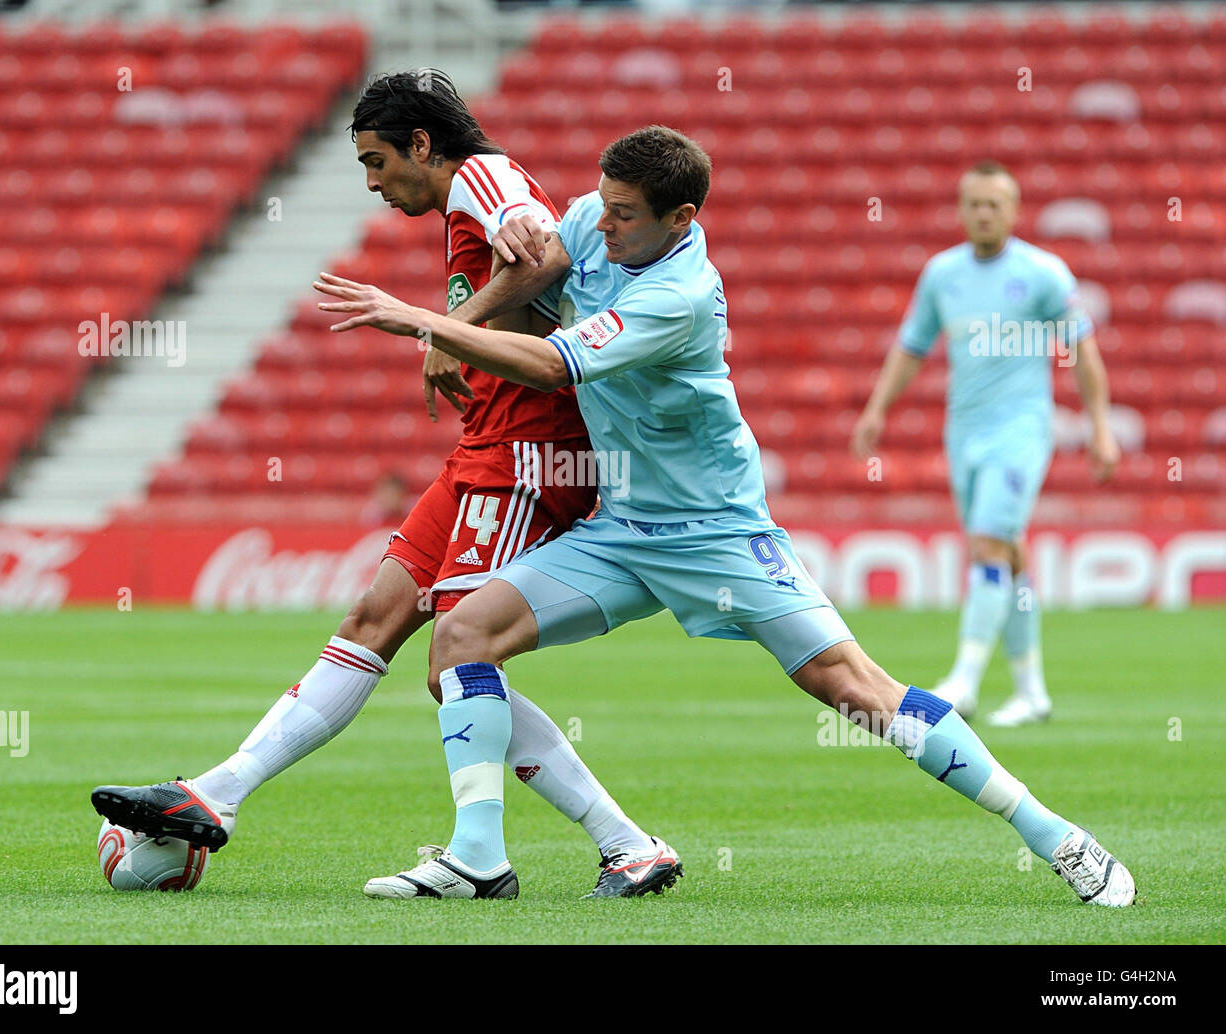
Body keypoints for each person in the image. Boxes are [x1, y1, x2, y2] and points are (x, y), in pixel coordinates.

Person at [315, 126, 1136, 907]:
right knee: (462, 637)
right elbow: (546, 262)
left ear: (683, 220)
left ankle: (1054, 833)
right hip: (621, 529)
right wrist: (457, 324)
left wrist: (421, 319)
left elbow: (554, 363)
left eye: (624, 213)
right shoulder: (600, 222)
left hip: (716, 534)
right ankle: (480, 857)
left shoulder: (682, 296)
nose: (604, 221)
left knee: (852, 688)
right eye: (602, 201)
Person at [92, 72, 682, 901]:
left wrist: (452, 325)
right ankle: (215, 796)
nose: (373, 184)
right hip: (487, 445)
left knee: (456, 660)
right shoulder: (464, 197)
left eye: (377, 161)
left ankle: (577, 849)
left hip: (530, 451)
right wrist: (464, 325)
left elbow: (544, 252)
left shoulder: (485, 177)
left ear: (422, 145)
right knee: (371, 620)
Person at [851, 161, 1119, 726]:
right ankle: (1031, 690)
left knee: (989, 545)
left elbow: (1084, 352)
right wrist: (877, 409)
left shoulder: (1044, 273)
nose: (983, 213)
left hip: (1022, 431)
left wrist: (1099, 425)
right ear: (962, 209)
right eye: (974, 204)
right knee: (1008, 554)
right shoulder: (942, 274)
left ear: (1014, 211)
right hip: (964, 434)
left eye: (994, 204)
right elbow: (912, 347)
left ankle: (964, 680)